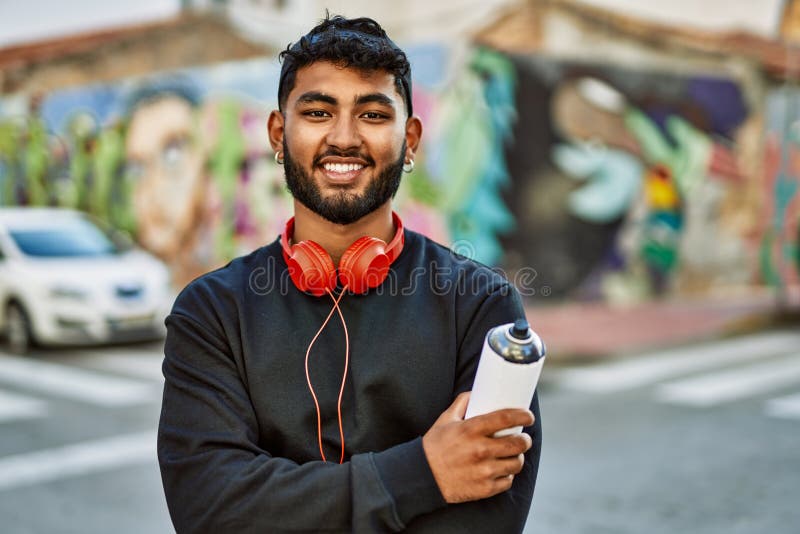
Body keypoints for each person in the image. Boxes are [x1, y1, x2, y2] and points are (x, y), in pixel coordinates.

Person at [157, 14, 541, 533]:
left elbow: (489, 518)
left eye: (373, 115)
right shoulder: (212, 313)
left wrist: (284, 503)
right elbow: (209, 509)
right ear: (278, 132)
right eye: (317, 111)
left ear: (410, 140)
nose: (344, 138)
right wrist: (423, 473)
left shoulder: (480, 306)